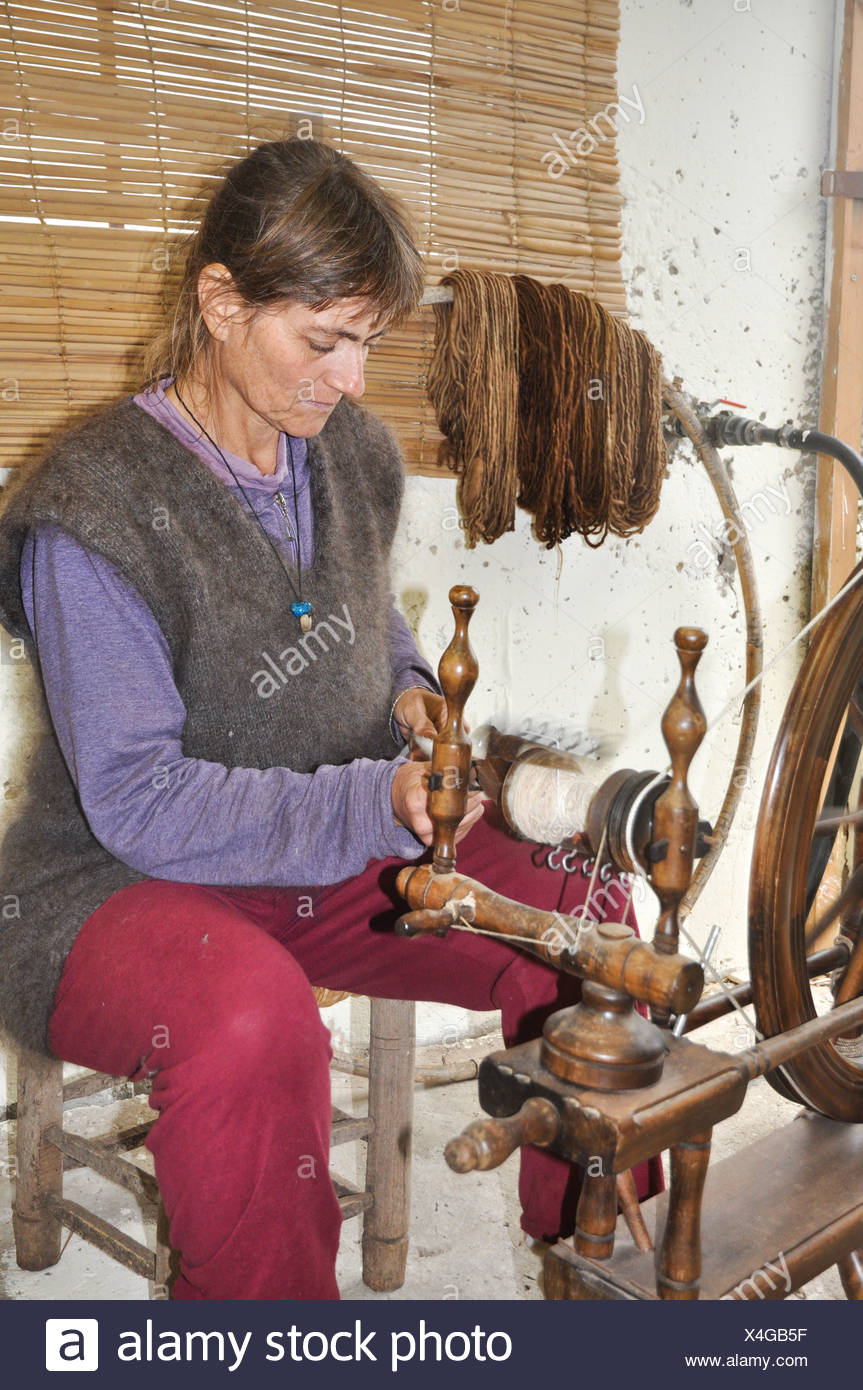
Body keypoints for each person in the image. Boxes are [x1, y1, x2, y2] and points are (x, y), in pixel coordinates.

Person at [0, 137, 659, 1300]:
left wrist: (407, 692)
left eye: (366, 340)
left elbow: (363, 623)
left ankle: (592, 1289)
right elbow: (142, 803)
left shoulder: (344, 448)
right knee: (252, 1027)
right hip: (112, 883)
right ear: (218, 302)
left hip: (325, 853)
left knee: (589, 925)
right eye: (322, 340)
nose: (351, 378)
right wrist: (379, 796)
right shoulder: (93, 507)